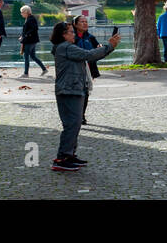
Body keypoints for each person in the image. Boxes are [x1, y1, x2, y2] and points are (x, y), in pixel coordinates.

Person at [50, 20, 119, 172]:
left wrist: (108, 48)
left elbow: (90, 55)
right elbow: (88, 55)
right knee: (72, 125)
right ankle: (62, 158)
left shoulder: (67, 47)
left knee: (74, 125)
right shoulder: (65, 47)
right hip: (69, 90)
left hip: (74, 89)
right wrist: (109, 46)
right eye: (71, 32)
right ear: (63, 35)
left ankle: (69, 155)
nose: (73, 34)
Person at [74, 16, 101, 124]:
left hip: (88, 69)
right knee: (77, 93)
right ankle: (77, 115)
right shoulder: (72, 37)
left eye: (86, 22)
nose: (85, 24)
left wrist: (100, 48)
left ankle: (81, 115)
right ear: (75, 24)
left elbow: (97, 51)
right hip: (75, 69)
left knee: (85, 93)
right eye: (82, 22)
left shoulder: (90, 37)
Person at [19, 5, 47, 76]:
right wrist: (23, 36)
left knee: (26, 56)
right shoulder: (30, 18)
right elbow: (31, 29)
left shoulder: (30, 19)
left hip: (30, 41)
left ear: (26, 12)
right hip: (32, 40)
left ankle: (26, 73)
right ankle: (44, 69)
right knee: (33, 56)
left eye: (22, 12)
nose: (21, 14)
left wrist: (25, 35)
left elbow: (34, 28)